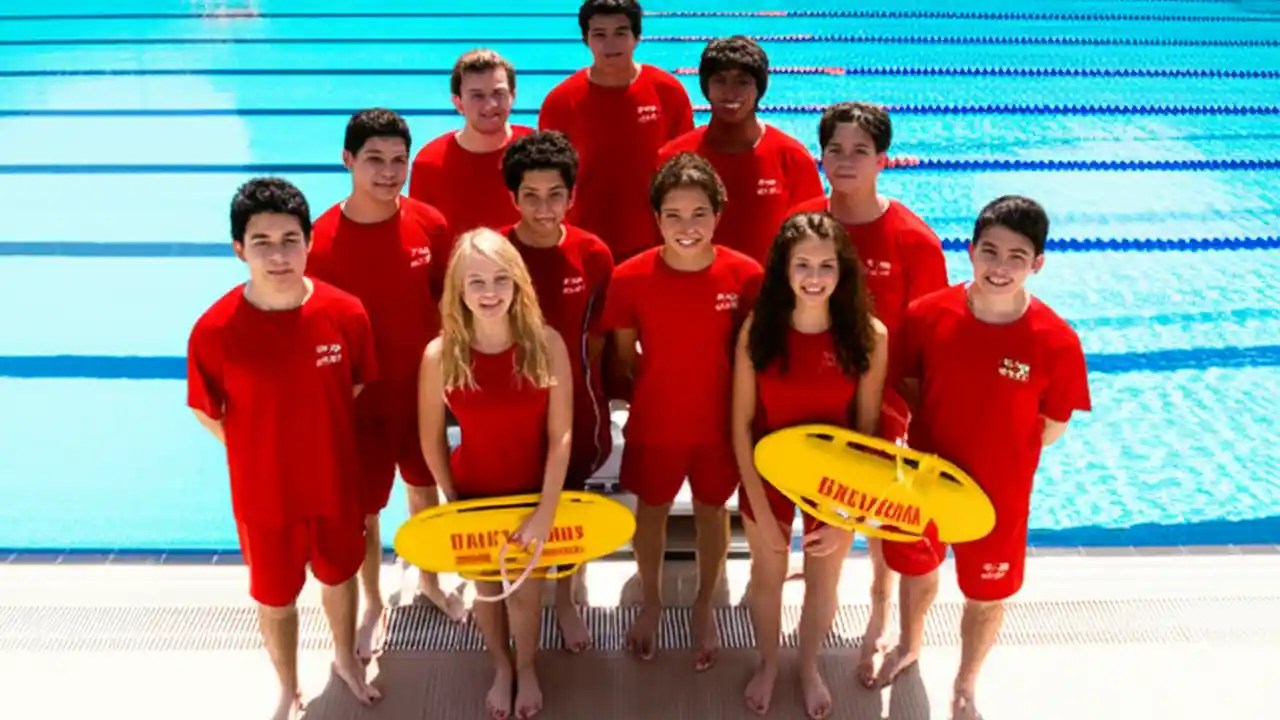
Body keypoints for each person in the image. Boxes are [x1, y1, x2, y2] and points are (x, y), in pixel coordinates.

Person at [878, 196, 1092, 720]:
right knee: (916, 569)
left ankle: (966, 680)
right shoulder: (926, 316)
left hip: (1001, 494)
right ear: (970, 251)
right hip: (926, 480)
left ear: (1037, 263)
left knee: (985, 595)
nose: (999, 267)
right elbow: (907, 389)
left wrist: (995, 454)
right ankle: (910, 644)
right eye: (989, 251)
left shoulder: (1057, 341)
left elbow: (1053, 427)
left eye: (1016, 256)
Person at [187, 177, 383, 720]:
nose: (278, 255)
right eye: (262, 242)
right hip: (264, 494)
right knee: (275, 598)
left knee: (340, 576)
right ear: (238, 249)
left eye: (290, 239)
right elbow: (205, 407)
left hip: (334, 480)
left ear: (310, 241)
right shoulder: (214, 329)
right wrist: (254, 448)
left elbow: (358, 382)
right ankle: (287, 684)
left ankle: (345, 657)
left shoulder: (345, 313)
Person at [789, 100, 949, 686]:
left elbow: (933, 333)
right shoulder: (802, 222)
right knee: (824, 516)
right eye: (836, 149)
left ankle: (880, 604)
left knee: (881, 520)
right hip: (813, 396)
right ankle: (822, 599)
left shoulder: (913, 241)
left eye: (860, 151)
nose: (847, 160)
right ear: (821, 156)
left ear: (883, 159)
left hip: (886, 404)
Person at [308, 109, 464, 658]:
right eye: (374, 159)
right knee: (366, 510)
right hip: (360, 400)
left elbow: (449, 304)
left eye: (399, 160)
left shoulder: (430, 224)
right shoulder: (320, 242)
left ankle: (429, 581)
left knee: (426, 490)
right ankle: (373, 600)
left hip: (422, 391)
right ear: (348, 160)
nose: (388, 171)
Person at [602, 151, 763, 669]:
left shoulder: (746, 276)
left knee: (713, 513)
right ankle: (650, 601)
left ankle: (703, 604)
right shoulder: (630, 278)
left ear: (718, 214)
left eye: (699, 215)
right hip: (656, 423)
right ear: (657, 219)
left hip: (720, 427)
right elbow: (625, 358)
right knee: (650, 513)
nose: (686, 227)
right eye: (673, 215)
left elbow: (752, 358)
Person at [731, 212, 888, 719]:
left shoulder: (867, 336)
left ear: (842, 271)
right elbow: (742, 424)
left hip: (835, 482)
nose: (814, 278)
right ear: (784, 269)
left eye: (825, 266)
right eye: (803, 265)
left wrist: (846, 515)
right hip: (768, 475)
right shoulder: (760, 330)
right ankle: (770, 661)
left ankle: (808, 666)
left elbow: (866, 434)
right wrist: (756, 502)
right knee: (767, 575)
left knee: (825, 581)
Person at [418, 227, 574, 720]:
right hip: (474, 493)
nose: (489, 293)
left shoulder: (546, 344)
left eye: (500, 280)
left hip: (532, 491)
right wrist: (451, 498)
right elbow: (431, 438)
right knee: (487, 590)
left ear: (518, 284)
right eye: (476, 282)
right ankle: (501, 665)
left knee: (527, 598)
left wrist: (546, 510)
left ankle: (526, 666)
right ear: (458, 292)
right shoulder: (440, 355)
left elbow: (561, 436)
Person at [499, 130, 614, 653]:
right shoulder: (496, 255)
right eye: (531, 196)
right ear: (513, 197)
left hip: (578, 409)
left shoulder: (593, 254)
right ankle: (516, 589)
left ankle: (566, 594)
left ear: (572, 196)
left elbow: (601, 338)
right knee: (515, 503)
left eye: (555, 196)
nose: (544, 208)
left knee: (568, 502)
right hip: (513, 411)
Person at [538, 0, 694, 264]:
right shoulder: (561, 102)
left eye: (620, 33)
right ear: (586, 39)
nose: (610, 45)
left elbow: (687, 169)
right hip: (585, 244)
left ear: (637, 37)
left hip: (657, 241)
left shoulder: (668, 92)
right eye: (599, 35)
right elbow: (546, 179)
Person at [657, 36, 824, 266]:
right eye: (720, 80)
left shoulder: (792, 159)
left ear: (759, 89)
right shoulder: (672, 158)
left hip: (767, 297)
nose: (730, 92)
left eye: (742, 82)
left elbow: (813, 241)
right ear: (706, 87)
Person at [410, 48, 533, 293]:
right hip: (460, 298)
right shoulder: (430, 164)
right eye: (477, 95)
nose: (490, 104)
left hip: (531, 290)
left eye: (499, 93)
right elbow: (423, 245)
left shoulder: (536, 151)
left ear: (513, 96)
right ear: (457, 101)